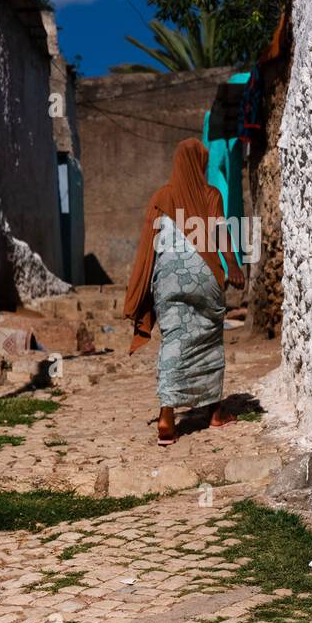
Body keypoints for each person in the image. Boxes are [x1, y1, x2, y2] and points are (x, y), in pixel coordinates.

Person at [124, 138, 246, 445]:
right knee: (209, 338)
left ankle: (167, 414)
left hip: (168, 278)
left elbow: (148, 246)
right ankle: (215, 413)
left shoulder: (161, 197)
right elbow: (219, 232)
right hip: (203, 277)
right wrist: (232, 266)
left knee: (174, 339)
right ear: (201, 165)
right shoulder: (210, 194)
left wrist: (141, 284)